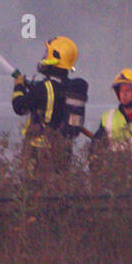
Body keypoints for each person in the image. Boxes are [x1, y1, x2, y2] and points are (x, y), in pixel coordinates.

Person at [12, 36, 88, 170]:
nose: (44, 57)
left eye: (47, 53)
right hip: (62, 153)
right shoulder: (69, 88)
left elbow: (19, 107)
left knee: (34, 188)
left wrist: (18, 87)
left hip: (38, 155)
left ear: (55, 58)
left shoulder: (42, 88)